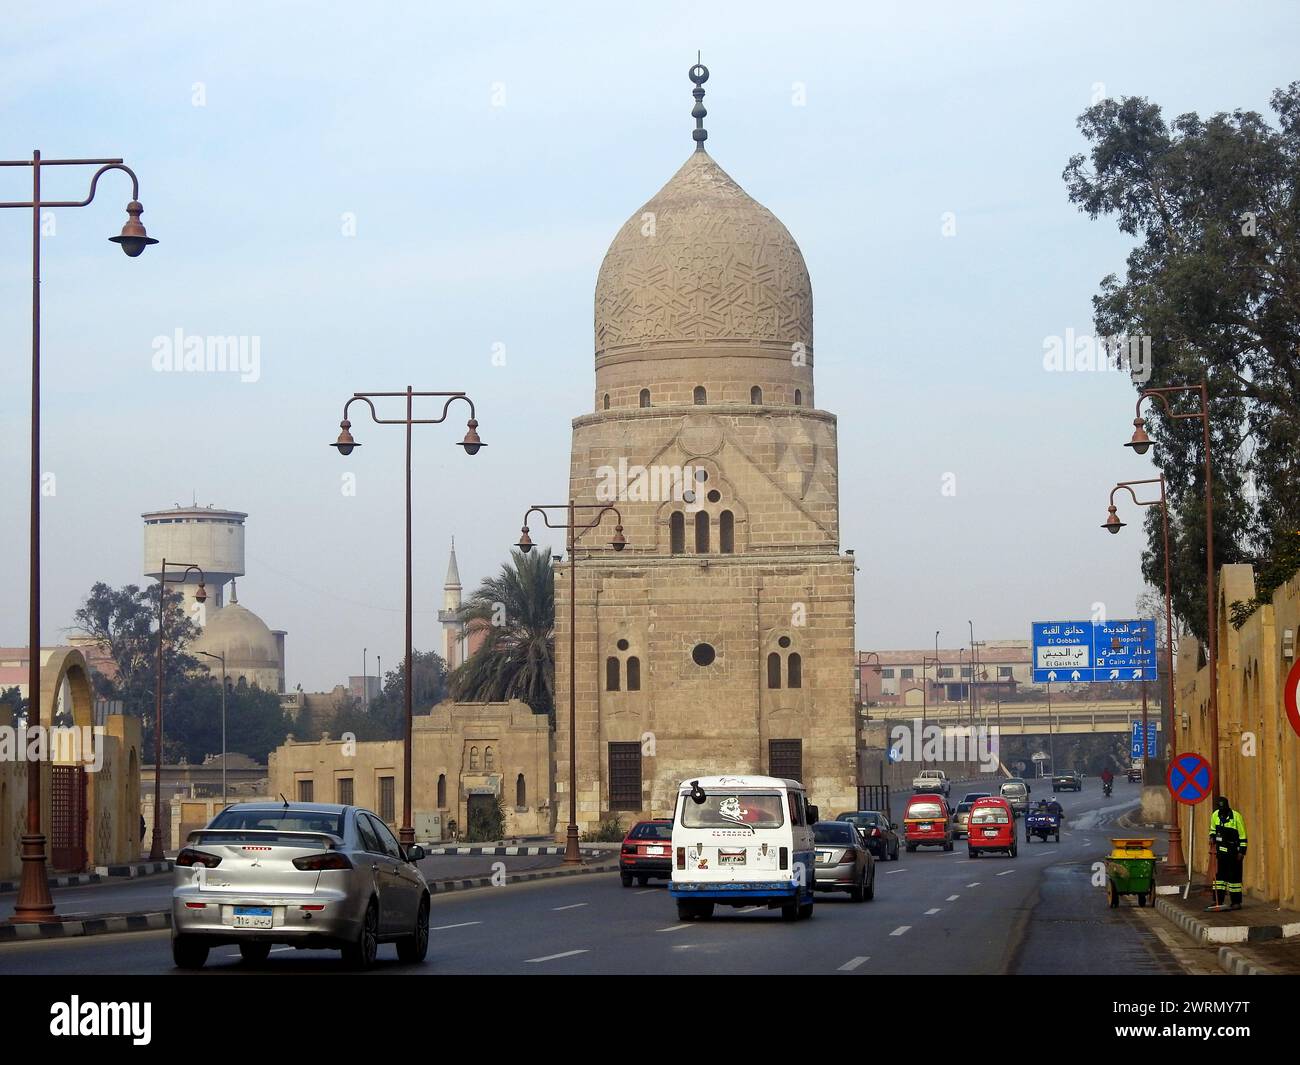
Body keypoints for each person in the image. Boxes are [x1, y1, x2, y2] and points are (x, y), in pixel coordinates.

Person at [1207, 796, 1248, 911]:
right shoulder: (1215, 815)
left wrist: (1242, 852)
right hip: (1221, 851)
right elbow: (1212, 829)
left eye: (1224, 809)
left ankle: (1236, 902)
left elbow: (1243, 835)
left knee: (1234, 877)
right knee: (1220, 877)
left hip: (1234, 851)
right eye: (1220, 809)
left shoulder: (1236, 817)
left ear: (1227, 807)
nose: (1222, 812)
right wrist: (1212, 837)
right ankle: (1217, 900)